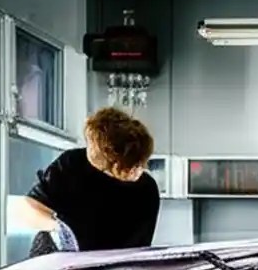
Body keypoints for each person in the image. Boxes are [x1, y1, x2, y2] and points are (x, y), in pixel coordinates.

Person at [16, 107, 159, 255]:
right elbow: (28, 209)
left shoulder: (147, 189)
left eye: (141, 163)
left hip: (107, 267)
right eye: (132, 165)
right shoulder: (72, 164)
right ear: (110, 159)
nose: (139, 170)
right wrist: (57, 229)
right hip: (58, 259)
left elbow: (139, 250)